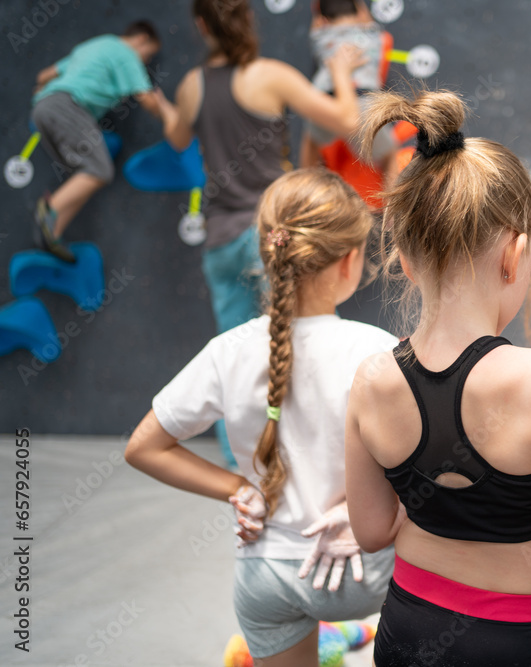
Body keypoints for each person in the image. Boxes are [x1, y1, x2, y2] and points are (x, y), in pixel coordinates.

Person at [344, 90, 531, 667]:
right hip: (519, 642)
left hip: (408, 626)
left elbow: (372, 530)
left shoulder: (372, 378)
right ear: (515, 255)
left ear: (404, 257)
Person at [125, 169, 397, 667]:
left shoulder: (226, 350)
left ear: (269, 252)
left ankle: (333, 642)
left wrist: (238, 489)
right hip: (369, 575)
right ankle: (348, 637)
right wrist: (375, 516)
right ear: (350, 260)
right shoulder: (379, 351)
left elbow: (142, 446)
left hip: (266, 577)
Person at [159, 0, 366, 465]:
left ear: (200, 25)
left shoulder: (192, 85)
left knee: (233, 353)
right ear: (247, 18)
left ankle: (241, 468)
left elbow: (175, 138)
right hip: (270, 236)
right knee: (295, 344)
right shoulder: (270, 75)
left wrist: (162, 106)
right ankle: (297, 456)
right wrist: (340, 69)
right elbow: (348, 121)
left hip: (219, 241)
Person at [31, 20, 173, 263]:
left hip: (44, 108)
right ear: (141, 40)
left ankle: (52, 235)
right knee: (100, 171)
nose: (145, 63)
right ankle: (49, 208)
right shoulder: (126, 52)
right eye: (148, 56)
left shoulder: (93, 46)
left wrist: (43, 96)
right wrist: (170, 113)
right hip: (69, 107)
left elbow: (44, 75)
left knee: (84, 173)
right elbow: (146, 99)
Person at [299, 0, 398, 181]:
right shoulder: (372, 35)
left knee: (311, 145)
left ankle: (303, 196)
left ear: (324, 19)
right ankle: (395, 208)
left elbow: (317, 21)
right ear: (359, 12)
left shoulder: (320, 37)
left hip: (328, 103)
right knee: (389, 156)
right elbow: (365, 16)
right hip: (363, 102)